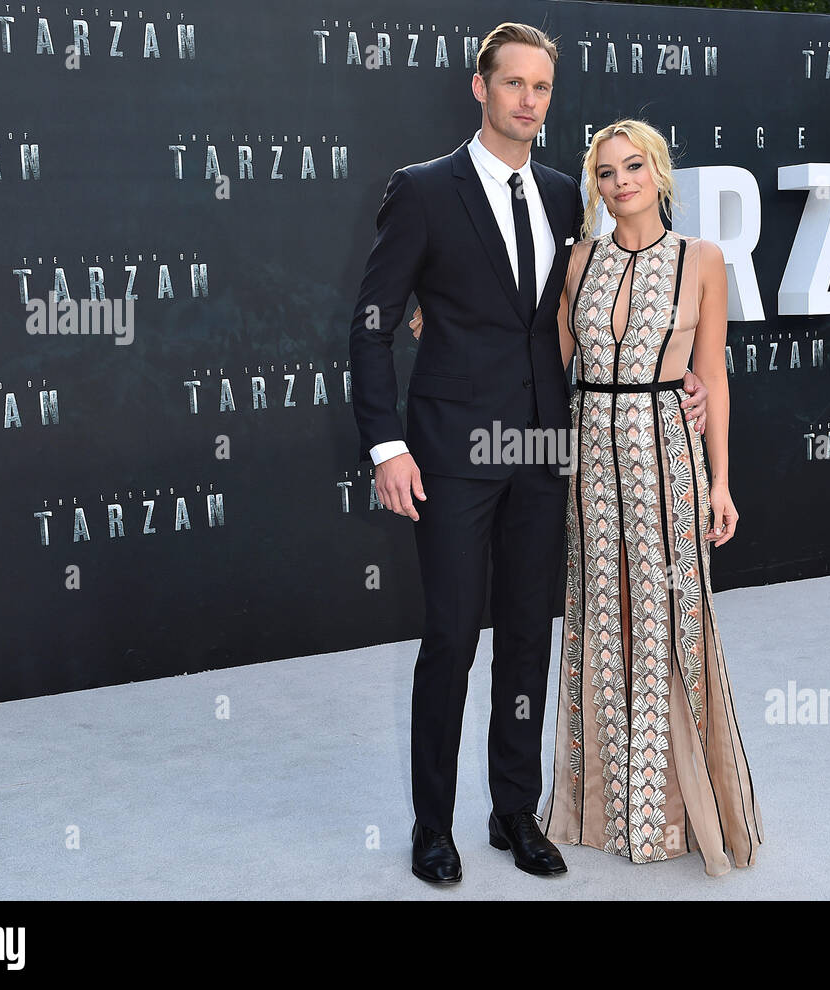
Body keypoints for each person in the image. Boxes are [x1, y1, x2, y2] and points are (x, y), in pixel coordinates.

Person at [348, 23, 711, 884]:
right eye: (512, 83)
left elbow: (586, 320)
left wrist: (679, 382)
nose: (527, 100)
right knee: (448, 638)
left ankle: (514, 809)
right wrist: (387, 445)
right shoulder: (423, 190)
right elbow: (370, 326)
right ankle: (430, 827)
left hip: (550, 449)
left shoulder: (562, 196)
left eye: (541, 88)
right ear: (480, 88)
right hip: (450, 452)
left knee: (524, 638)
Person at [538, 119, 765, 876]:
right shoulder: (578, 263)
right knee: (603, 621)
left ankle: (679, 810)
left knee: (674, 619)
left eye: (633, 167)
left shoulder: (702, 260)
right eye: (606, 173)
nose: (620, 182)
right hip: (590, 463)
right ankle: (597, 808)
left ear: (660, 174)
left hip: (668, 454)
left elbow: (716, 375)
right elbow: (548, 366)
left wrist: (722, 478)